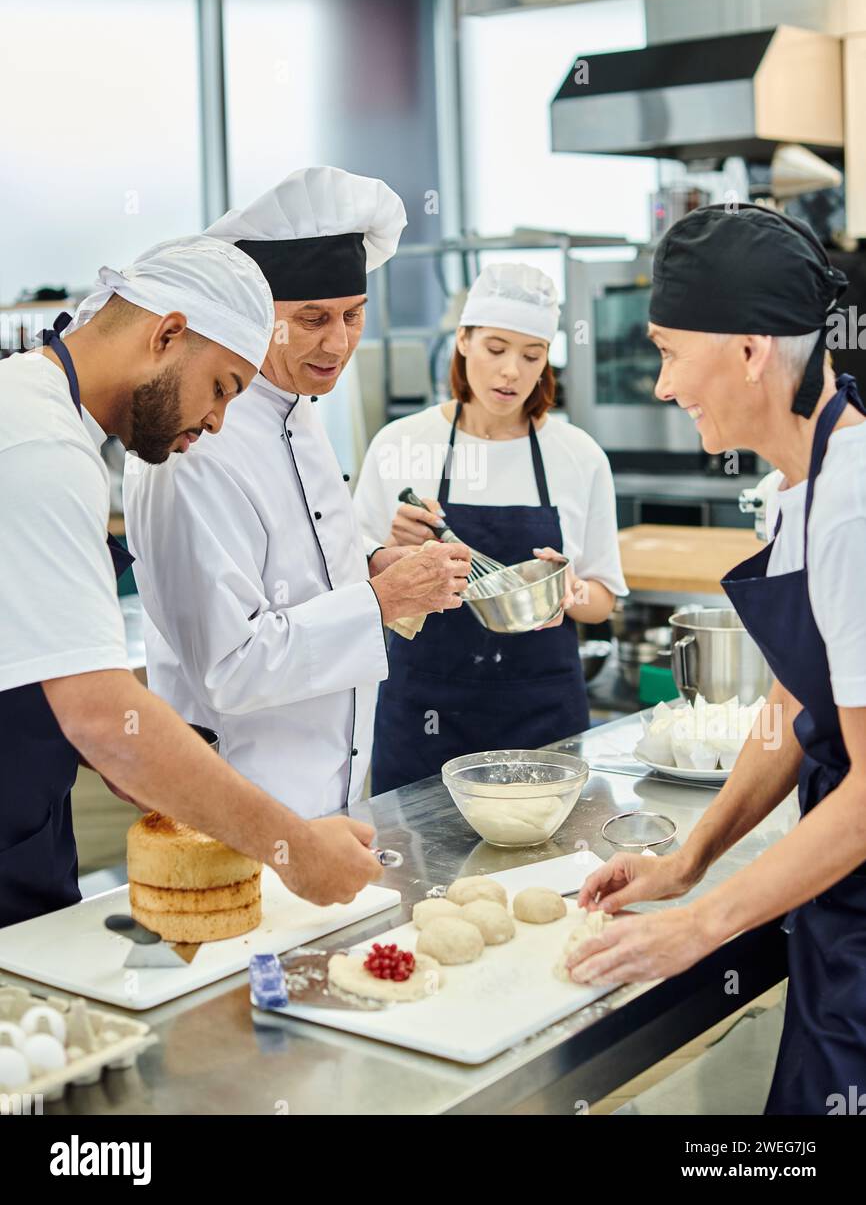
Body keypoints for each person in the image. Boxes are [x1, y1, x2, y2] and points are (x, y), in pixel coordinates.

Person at [568, 204, 866, 1116]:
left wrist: (702, 928)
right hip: (839, 898)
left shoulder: (853, 504)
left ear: (748, 352)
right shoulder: (798, 489)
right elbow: (792, 704)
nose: (660, 384)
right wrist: (690, 860)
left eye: (668, 349)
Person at [0, 232, 382, 929]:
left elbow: (50, 684)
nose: (215, 421)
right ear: (168, 335)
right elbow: (96, 710)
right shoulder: (40, 446)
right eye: (222, 388)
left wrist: (140, 763)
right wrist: (294, 849)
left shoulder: (39, 415)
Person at [122, 167, 470, 815]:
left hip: (331, 798)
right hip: (238, 809)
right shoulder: (196, 440)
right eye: (312, 318)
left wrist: (366, 566)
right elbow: (233, 665)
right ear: (258, 315)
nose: (338, 343)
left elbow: (289, 572)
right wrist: (380, 602)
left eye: (353, 316)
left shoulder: (298, 404)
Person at [354, 262, 626, 793]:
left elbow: (602, 599)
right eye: (495, 349)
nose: (511, 373)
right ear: (462, 340)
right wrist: (390, 549)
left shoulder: (578, 456)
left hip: (542, 724)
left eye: (532, 356)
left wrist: (565, 592)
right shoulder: (401, 444)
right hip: (424, 719)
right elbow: (352, 588)